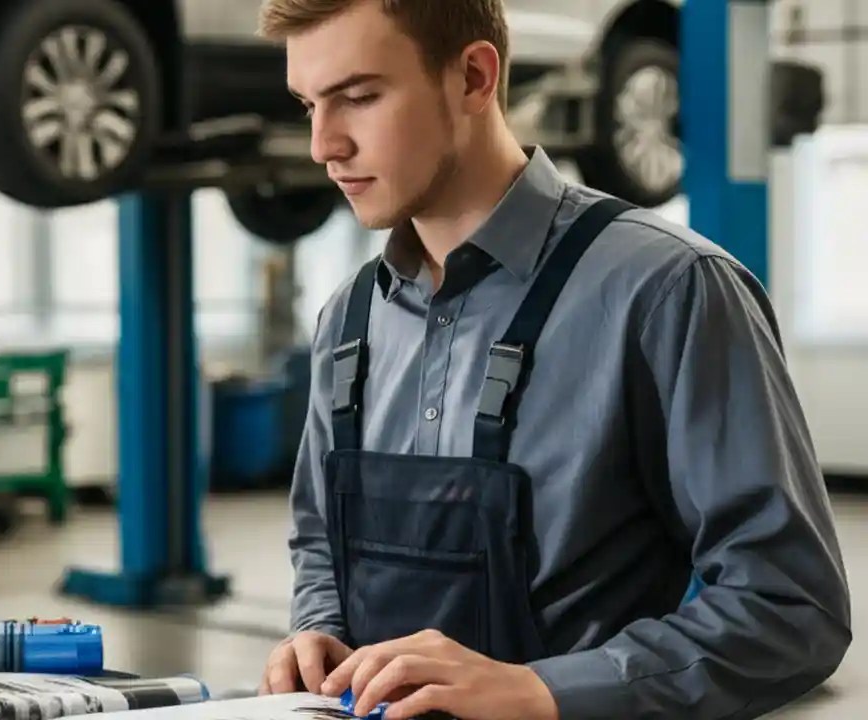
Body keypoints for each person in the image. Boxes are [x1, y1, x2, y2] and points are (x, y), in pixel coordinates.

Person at [254, 1, 852, 719]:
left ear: (474, 78)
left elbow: (789, 607)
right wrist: (318, 628)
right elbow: (321, 540)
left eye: (358, 97)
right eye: (307, 105)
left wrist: (539, 690)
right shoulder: (349, 320)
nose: (324, 144)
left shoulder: (665, 291)